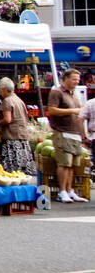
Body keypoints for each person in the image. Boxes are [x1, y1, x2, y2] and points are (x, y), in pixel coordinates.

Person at [48, 68, 89, 203]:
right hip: (62, 132)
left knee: (72, 164)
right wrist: (72, 110)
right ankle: (62, 191)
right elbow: (52, 110)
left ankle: (70, 190)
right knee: (64, 163)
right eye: (74, 79)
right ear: (65, 79)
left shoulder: (74, 95)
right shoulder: (57, 92)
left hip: (75, 133)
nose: (77, 82)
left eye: (78, 79)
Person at [0, 77, 35, 176]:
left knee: (12, 167)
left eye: (0, 90)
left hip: (11, 136)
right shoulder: (18, 100)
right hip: (22, 134)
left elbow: (7, 119)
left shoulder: (7, 101)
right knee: (22, 166)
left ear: (4, 89)